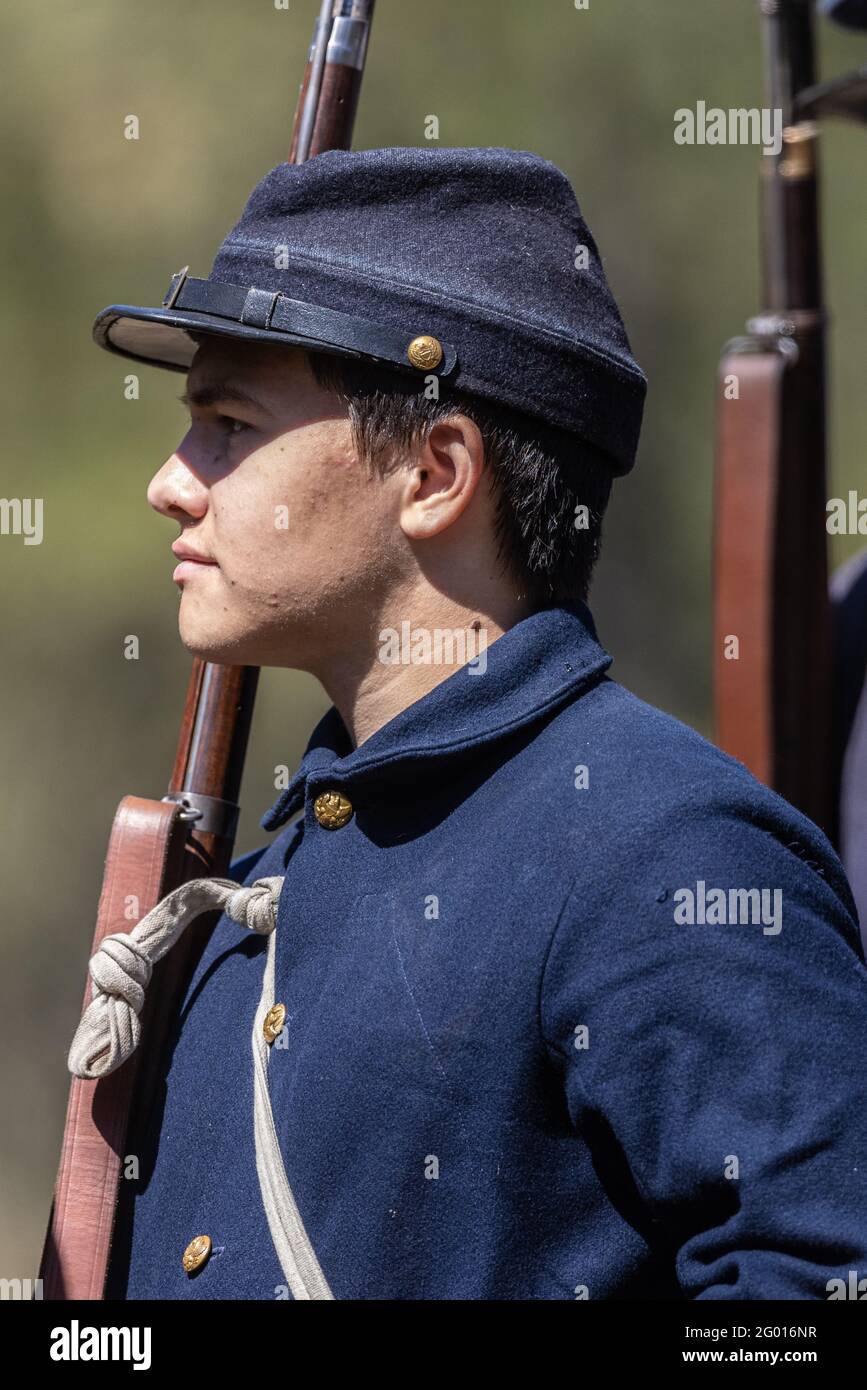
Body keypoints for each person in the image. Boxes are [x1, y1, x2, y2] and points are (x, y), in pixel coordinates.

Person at [89, 146, 867, 1300]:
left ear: (437, 472)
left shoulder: (666, 852)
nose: (173, 478)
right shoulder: (259, 897)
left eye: (230, 423)